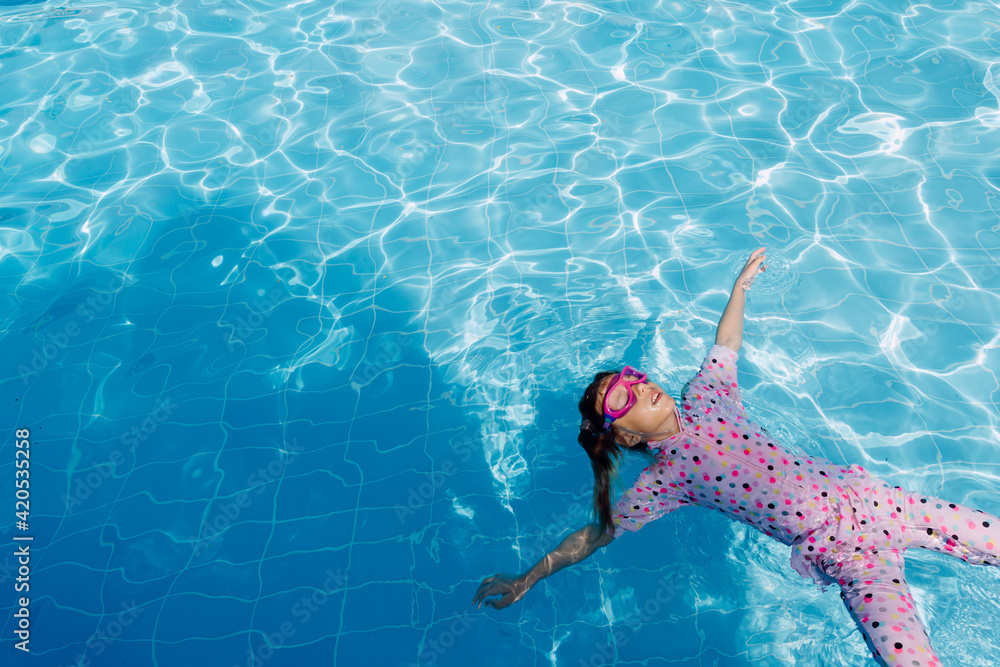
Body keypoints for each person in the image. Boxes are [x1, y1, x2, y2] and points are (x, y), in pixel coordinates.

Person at [472, 247, 1000, 666]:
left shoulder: (708, 395)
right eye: (622, 399)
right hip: (851, 559)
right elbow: (595, 534)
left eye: (634, 376)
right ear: (627, 438)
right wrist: (528, 577)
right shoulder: (665, 481)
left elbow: (726, 343)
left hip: (882, 502)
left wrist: (739, 288)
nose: (639, 386)